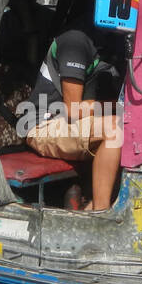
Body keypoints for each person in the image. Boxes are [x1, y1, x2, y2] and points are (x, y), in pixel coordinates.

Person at [25, 24, 122, 211]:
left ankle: (97, 203)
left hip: (74, 123)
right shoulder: (75, 42)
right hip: (44, 125)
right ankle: (101, 212)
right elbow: (74, 110)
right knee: (114, 129)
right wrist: (121, 107)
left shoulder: (113, 47)